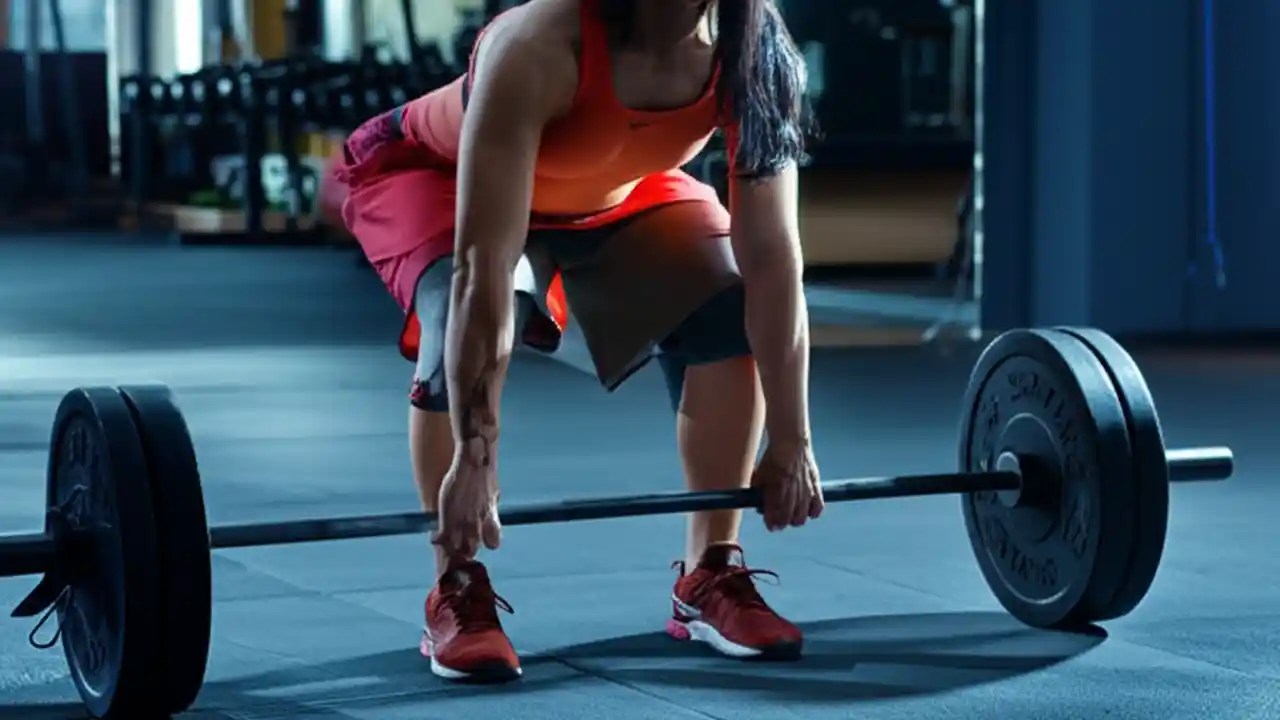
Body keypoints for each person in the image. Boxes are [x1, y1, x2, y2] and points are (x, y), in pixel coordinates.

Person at [335, 0, 822, 683]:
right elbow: (482, 270)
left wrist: (794, 439)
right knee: (460, 311)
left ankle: (710, 574)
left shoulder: (755, 51)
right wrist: (477, 453)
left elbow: (772, 256)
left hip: (613, 189)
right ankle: (456, 584)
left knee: (726, 305)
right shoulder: (536, 45)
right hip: (438, 179)